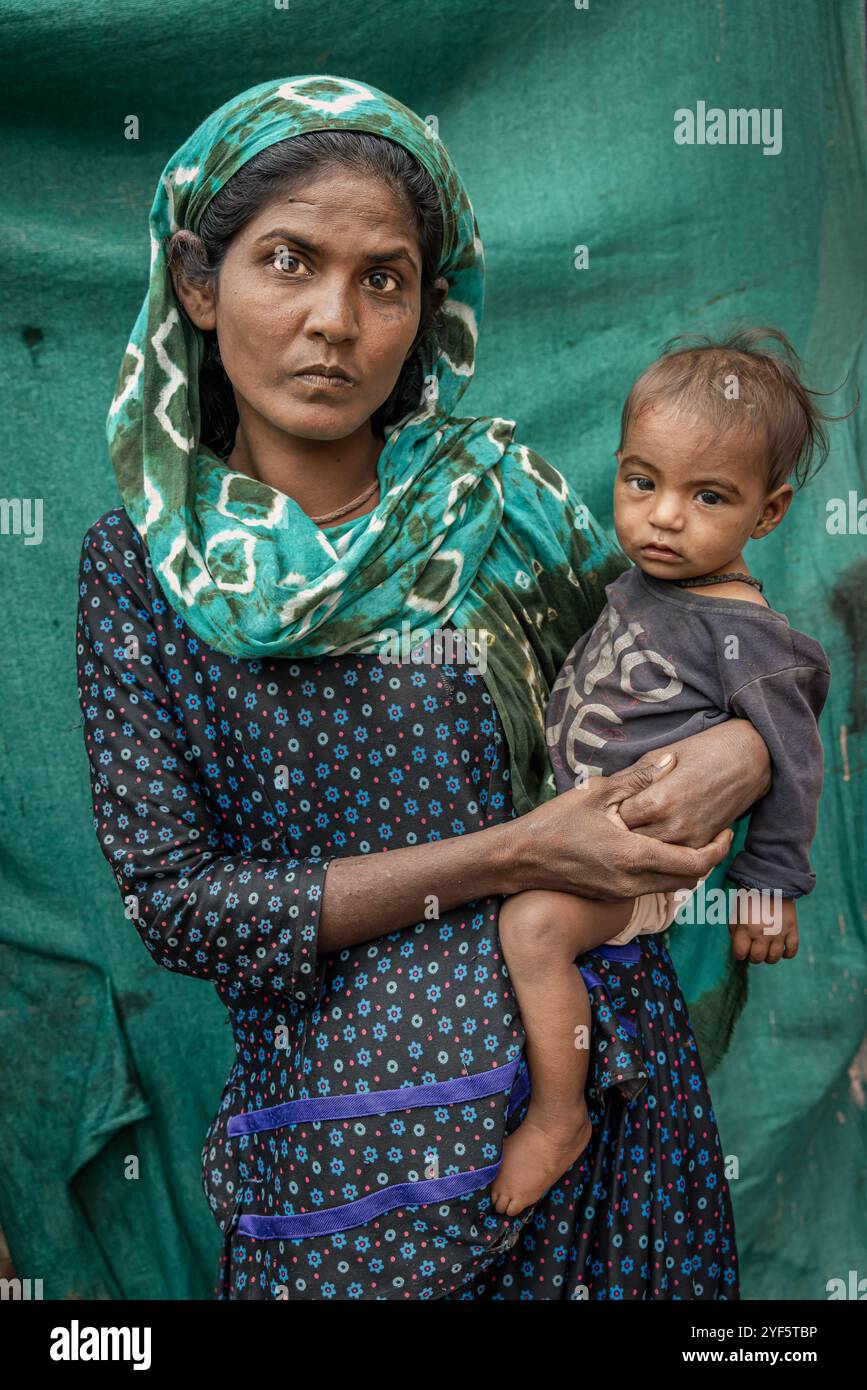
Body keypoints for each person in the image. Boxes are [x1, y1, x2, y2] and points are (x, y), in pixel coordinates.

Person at [76, 74, 770, 1300]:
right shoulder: (139, 566)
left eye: (382, 279)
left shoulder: (499, 505)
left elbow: (705, 670)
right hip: (345, 1164)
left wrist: (748, 753)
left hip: (604, 1125)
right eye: (287, 261)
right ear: (196, 281)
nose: (333, 320)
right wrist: (511, 854)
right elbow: (180, 905)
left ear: (428, 310)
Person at [491, 328, 832, 1217]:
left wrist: (767, 884)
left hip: (635, 859)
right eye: (641, 481)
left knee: (531, 932)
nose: (663, 516)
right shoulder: (647, 579)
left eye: (707, 496)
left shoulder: (751, 638)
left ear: (768, 512)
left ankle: (559, 1120)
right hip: (569, 828)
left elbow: (791, 763)